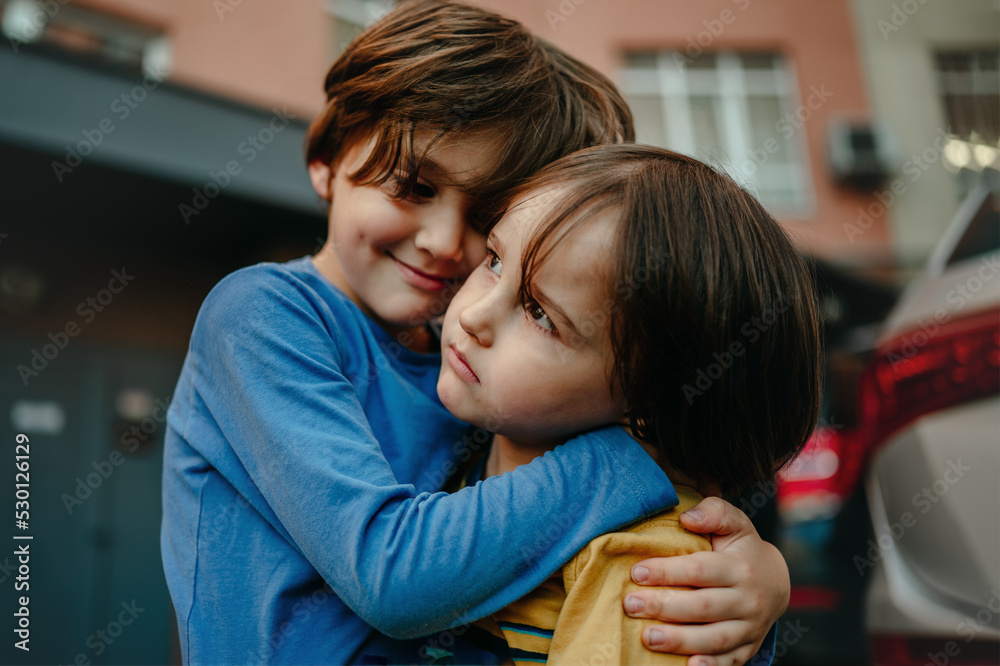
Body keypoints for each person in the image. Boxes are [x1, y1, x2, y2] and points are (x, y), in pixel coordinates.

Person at [160, 2, 789, 664]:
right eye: (413, 184)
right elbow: (391, 576)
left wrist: (750, 580)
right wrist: (631, 459)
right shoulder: (263, 316)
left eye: (488, 219)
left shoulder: (483, 366)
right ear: (326, 157)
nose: (441, 243)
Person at [428, 143, 822, 665]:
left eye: (541, 314)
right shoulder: (453, 451)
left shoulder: (648, 569)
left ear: (646, 406)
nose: (475, 314)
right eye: (496, 261)